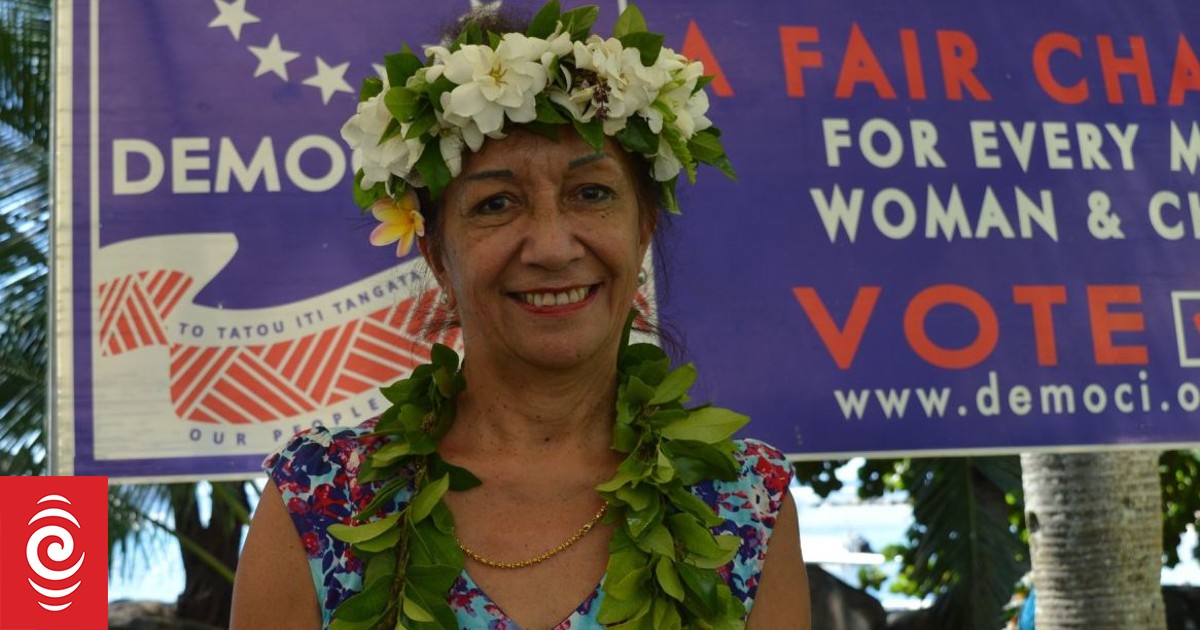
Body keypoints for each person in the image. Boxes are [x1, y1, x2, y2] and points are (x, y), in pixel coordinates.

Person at [231, 3, 811, 629]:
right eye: (496, 203)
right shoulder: (320, 494)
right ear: (436, 256)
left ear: (642, 229)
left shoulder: (744, 498)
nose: (553, 247)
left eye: (591, 194)